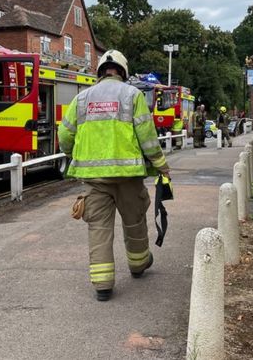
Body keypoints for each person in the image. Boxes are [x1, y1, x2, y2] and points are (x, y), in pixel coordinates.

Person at [58, 49, 170, 302]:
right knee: (134, 223)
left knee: (98, 229)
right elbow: (147, 136)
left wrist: (75, 152)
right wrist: (161, 164)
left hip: (94, 180)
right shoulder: (133, 95)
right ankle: (138, 265)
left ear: (100, 71)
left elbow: (64, 136)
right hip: (128, 176)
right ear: (123, 71)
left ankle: (103, 285)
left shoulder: (82, 98)